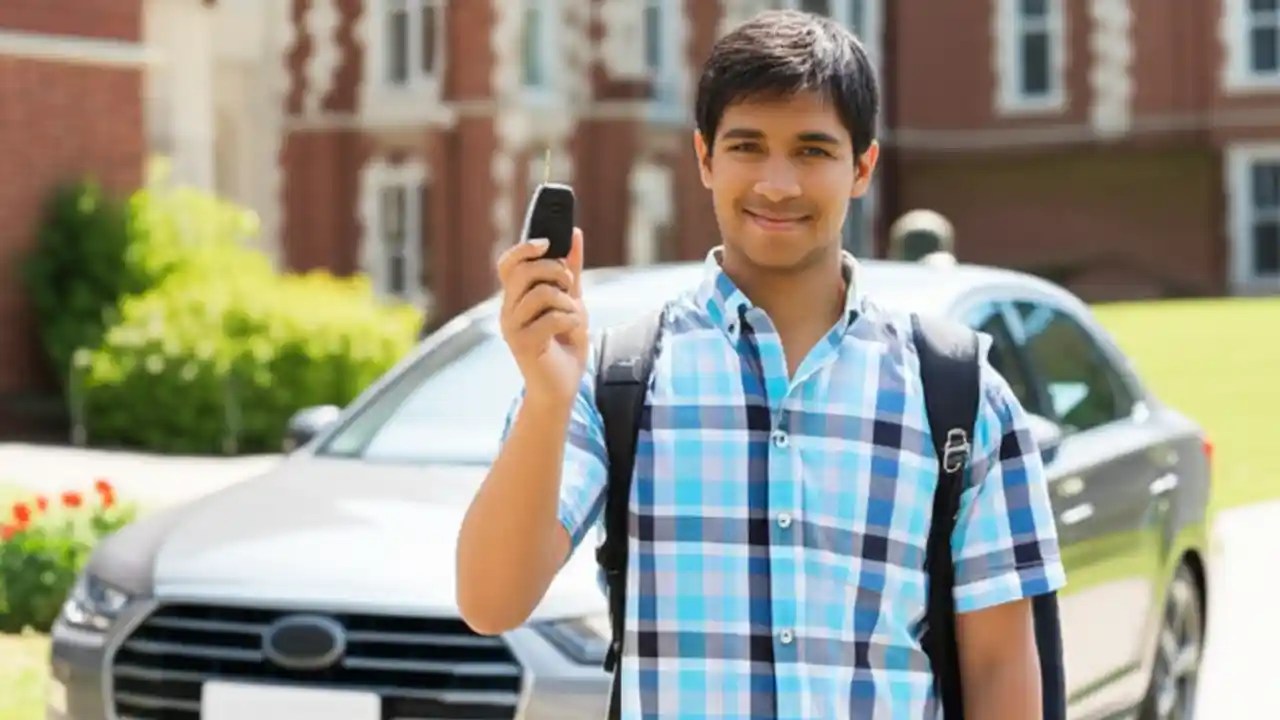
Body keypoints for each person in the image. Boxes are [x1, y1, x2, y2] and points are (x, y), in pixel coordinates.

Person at [456, 9, 1065, 719]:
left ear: (862, 167)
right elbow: (491, 602)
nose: (777, 185)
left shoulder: (959, 396)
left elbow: (998, 666)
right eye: (747, 146)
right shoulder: (613, 381)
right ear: (705, 158)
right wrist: (546, 396)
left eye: (812, 150)